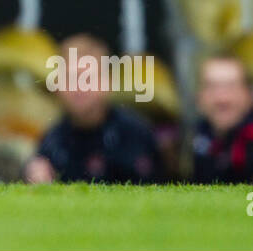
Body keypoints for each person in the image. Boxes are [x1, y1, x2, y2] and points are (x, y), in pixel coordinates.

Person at [26, 34, 163, 184]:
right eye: (70, 79)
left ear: (108, 83)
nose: (79, 88)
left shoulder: (136, 135)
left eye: (88, 78)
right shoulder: (52, 142)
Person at [191, 55, 253, 184]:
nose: (222, 98)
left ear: (249, 95)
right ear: (199, 96)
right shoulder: (191, 138)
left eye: (231, 87)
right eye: (212, 87)